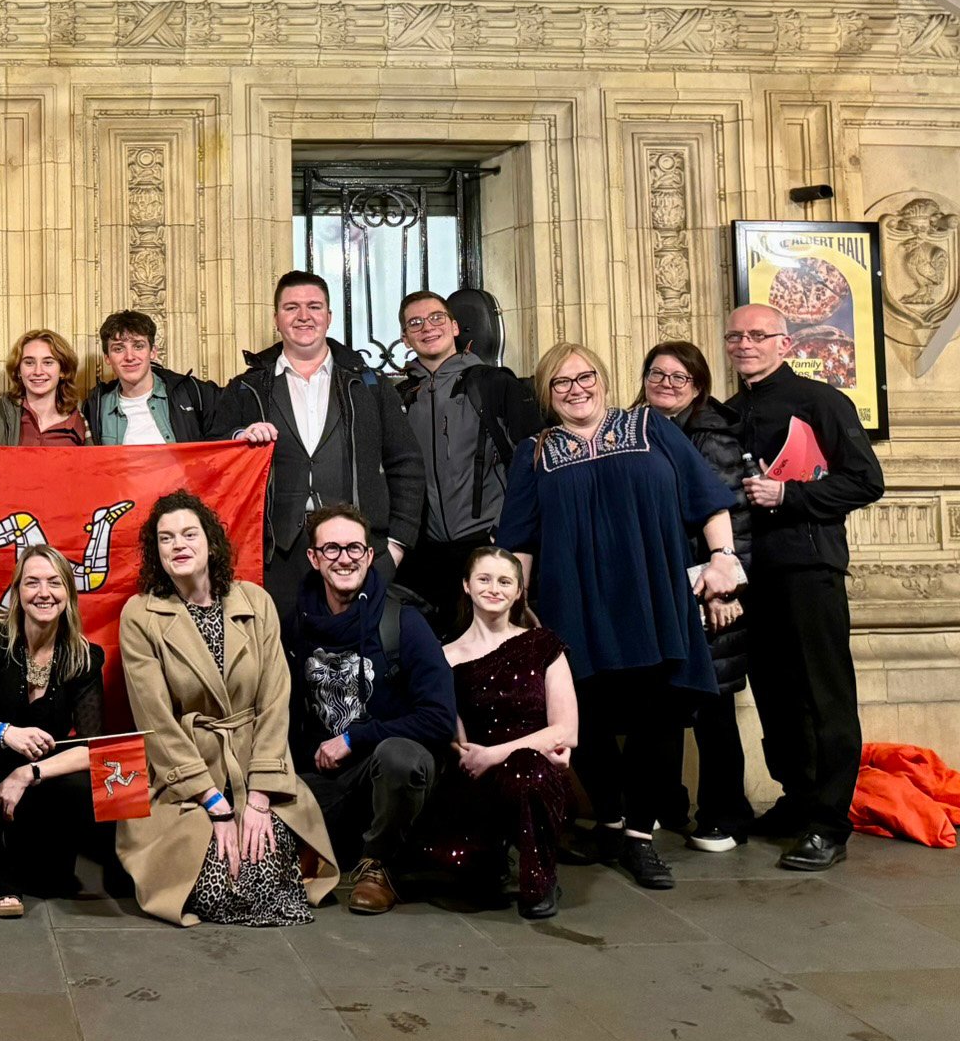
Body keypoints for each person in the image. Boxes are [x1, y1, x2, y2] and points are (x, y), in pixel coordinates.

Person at [496, 342, 742, 890]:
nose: (576, 389)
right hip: (572, 602)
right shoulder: (533, 452)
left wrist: (724, 560)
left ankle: (639, 835)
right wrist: (514, 608)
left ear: (603, 379)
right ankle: (608, 820)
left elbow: (708, 500)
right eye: (560, 383)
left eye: (585, 377)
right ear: (546, 394)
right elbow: (519, 540)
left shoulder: (652, 427)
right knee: (587, 716)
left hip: (652, 594)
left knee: (657, 713)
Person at [116, 491, 338, 927]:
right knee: (222, 881)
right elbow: (155, 722)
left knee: (264, 868)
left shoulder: (255, 602)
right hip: (185, 781)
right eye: (165, 539)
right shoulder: (140, 615)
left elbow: (276, 702)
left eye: (188, 534)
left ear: (211, 542)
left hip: (256, 769)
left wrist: (258, 797)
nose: (178, 545)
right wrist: (215, 805)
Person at [725, 303, 886, 871]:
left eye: (757, 335)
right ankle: (796, 800)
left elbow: (867, 481)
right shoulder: (729, 410)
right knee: (773, 694)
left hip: (808, 568)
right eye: (735, 337)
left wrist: (788, 497)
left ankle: (829, 823)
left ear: (784, 344)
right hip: (751, 573)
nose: (744, 344)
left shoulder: (821, 401)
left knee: (823, 695)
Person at [213, 271, 426, 616]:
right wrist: (240, 438)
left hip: (356, 553)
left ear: (328, 317)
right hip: (275, 557)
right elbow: (212, 455)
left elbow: (407, 464)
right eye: (291, 307)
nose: (303, 316)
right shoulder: (246, 388)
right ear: (276, 319)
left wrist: (398, 545)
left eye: (314, 306)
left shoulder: (369, 385)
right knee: (283, 661)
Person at [284, 504, 455, 915]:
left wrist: (353, 737)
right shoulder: (294, 625)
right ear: (313, 557)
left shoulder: (403, 622)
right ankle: (327, 851)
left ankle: (379, 867)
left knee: (399, 757)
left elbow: (440, 718)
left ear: (369, 554)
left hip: (390, 775)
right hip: (327, 778)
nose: (344, 558)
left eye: (354, 548)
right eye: (331, 549)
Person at [0, 546, 105, 917]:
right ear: (17, 592)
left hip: (36, 774)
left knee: (49, 882)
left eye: (54, 583)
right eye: (32, 583)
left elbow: (94, 747)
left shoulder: (84, 656)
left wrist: (27, 773)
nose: (43, 592)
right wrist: (5, 733)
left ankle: (22, 854)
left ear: (69, 594)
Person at [637, 340, 755, 852]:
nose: (665, 383)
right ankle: (666, 802)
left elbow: (733, 516)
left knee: (713, 703)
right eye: (656, 374)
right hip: (660, 587)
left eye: (678, 377)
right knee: (659, 701)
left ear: (698, 386)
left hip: (707, 589)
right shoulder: (634, 429)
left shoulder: (713, 435)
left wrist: (723, 582)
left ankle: (725, 814)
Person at [423, 549, 577, 919]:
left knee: (527, 766)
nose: (494, 588)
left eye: (505, 581)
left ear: (519, 591)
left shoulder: (543, 645)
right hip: (475, 778)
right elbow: (453, 735)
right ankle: (496, 854)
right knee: (471, 881)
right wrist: (474, 756)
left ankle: (540, 881)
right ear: (467, 585)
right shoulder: (444, 656)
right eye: (484, 579)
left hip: (533, 773)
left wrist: (496, 754)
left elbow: (566, 730)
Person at [392, 290, 540, 632]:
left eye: (436, 318)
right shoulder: (399, 398)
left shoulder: (494, 383)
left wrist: (512, 539)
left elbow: (531, 463)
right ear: (405, 337)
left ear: (455, 326)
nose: (428, 327)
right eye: (415, 322)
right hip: (424, 555)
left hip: (486, 544)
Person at [80, 311, 222, 446]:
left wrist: (240, 432)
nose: (129, 357)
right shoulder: (96, 407)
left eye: (138, 346)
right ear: (107, 358)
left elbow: (230, 425)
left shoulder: (189, 392)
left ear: (153, 352)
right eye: (118, 349)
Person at [0, 329, 90, 447]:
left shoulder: (78, 421)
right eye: (29, 363)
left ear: (63, 371)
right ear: (18, 370)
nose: (38, 371)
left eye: (48, 362)